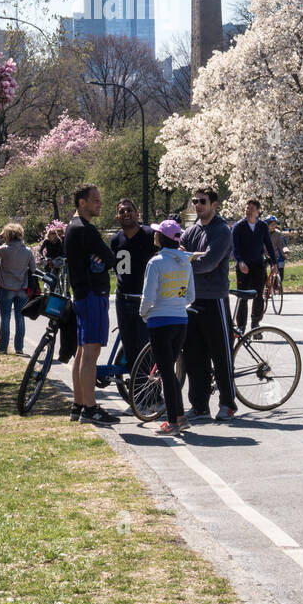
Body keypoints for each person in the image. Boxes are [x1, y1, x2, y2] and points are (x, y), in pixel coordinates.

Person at [64, 184, 120, 426]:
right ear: (81, 203)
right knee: (91, 353)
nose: (99, 204)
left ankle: (78, 404)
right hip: (91, 294)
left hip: (82, 295)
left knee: (81, 351)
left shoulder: (72, 227)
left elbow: (105, 256)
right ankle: (90, 407)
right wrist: (102, 259)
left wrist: (101, 258)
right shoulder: (84, 230)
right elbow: (109, 256)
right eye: (95, 200)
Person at [180, 187, 237, 422]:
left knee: (221, 355)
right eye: (195, 201)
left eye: (202, 201)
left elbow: (209, 263)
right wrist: (193, 256)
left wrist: (188, 257)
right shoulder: (191, 230)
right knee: (194, 356)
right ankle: (200, 405)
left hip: (214, 299)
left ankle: (228, 404)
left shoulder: (222, 230)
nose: (198, 205)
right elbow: (178, 254)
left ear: (214, 204)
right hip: (191, 299)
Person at [139, 219, 195, 436]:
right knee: (169, 372)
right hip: (180, 320)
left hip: (159, 322)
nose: (154, 235)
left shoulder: (156, 262)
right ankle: (179, 416)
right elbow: (191, 295)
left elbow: (148, 296)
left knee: (166, 373)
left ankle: (172, 421)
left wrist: (144, 313)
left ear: (161, 238)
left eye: (156, 233)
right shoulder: (186, 262)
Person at [110, 198, 157, 370]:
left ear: (137, 214)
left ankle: (151, 395)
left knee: (145, 349)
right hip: (123, 299)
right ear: (117, 217)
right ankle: (135, 393)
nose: (126, 213)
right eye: (121, 211)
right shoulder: (115, 240)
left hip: (145, 299)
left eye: (129, 210)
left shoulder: (150, 235)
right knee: (130, 350)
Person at [0, 223, 35, 355]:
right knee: (20, 318)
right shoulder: (28, 251)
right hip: (22, 288)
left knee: (5, 317)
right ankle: (19, 347)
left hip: (5, 287)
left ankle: (3, 347)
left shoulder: (4, 249)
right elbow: (33, 269)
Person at [231, 200, 276, 329]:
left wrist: (274, 262)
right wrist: (240, 261)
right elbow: (235, 247)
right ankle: (241, 326)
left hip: (258, 265)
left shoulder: (262, 226)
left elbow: (269, 245)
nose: (248, 211)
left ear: (257, 211)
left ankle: (255, 324)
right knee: (243, 296)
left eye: (251, 208)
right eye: (247, 208)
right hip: (243, 266)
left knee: (258, 295)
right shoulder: (238, 226)